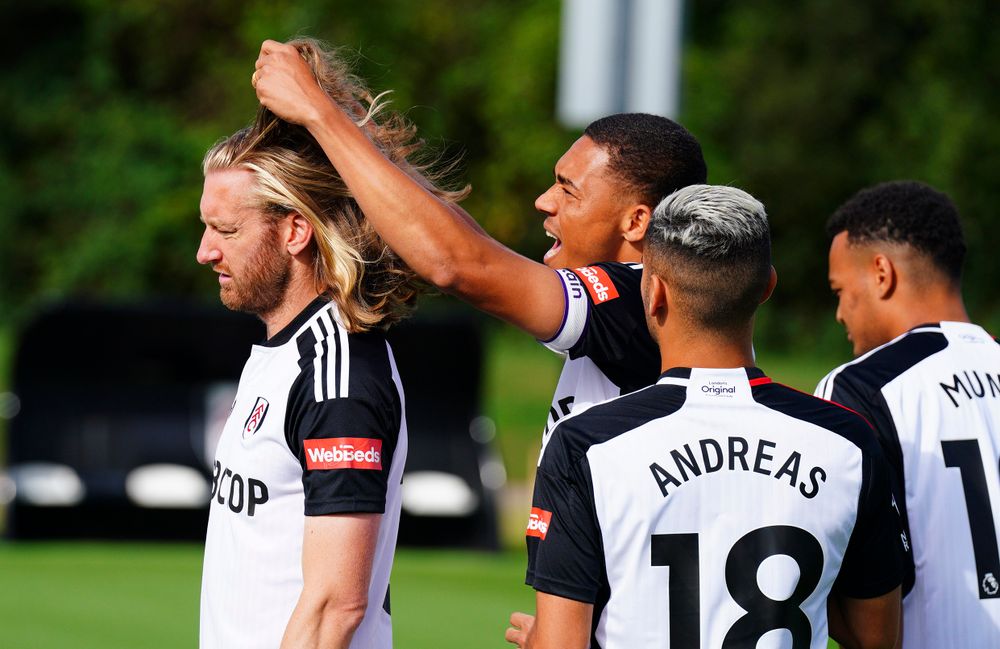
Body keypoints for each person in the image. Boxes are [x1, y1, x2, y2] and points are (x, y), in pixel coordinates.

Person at [251, 39, 707, 453]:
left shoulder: (641, 299)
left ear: (636, 222)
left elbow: (458, 264)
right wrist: (354, 131)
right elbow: (474, 247)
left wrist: (319, 114)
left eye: (568, 191)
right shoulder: (635, 300)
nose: (544, 201)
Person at [510, 185, 905, 649]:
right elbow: (877, 639)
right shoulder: (848, 441)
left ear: (653, 292)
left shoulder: (586, 444)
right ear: (767, 287)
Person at [196, 42, 462, 649]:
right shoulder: (282, 354)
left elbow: (335, 607)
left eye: (226, 230)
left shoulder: (335, 374)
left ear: (295, 231)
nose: (205, 252)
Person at [815, 181, 1000, 648]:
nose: (839, 313)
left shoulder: (861, 387)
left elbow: (862, 610)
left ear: (881, 273)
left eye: (840, 290)